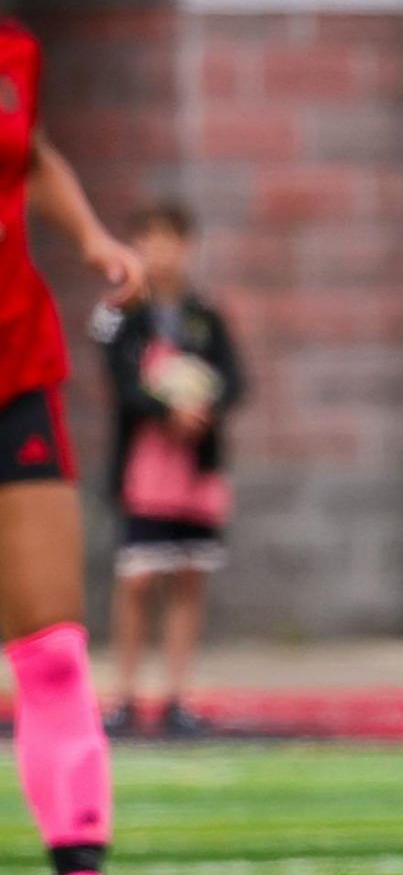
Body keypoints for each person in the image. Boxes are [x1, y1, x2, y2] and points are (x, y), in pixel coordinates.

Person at [0, 15, 149, 875]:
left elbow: (30, 149)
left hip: (16, 366)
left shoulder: (14, 49)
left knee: (52, 651)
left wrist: (90, 234)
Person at [99, 200, 246, 737]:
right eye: (148, 240)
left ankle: (178, 695)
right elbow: (117, 381)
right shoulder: (121, 315)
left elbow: (234, 379)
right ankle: (125, 694)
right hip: (145, 469)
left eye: (170, 240)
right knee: (138, 579)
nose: (159, 253)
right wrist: (165, 407)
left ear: (188, 247)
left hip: (195, 468)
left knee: (187, 578)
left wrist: (203, 406)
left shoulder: (205, 316)